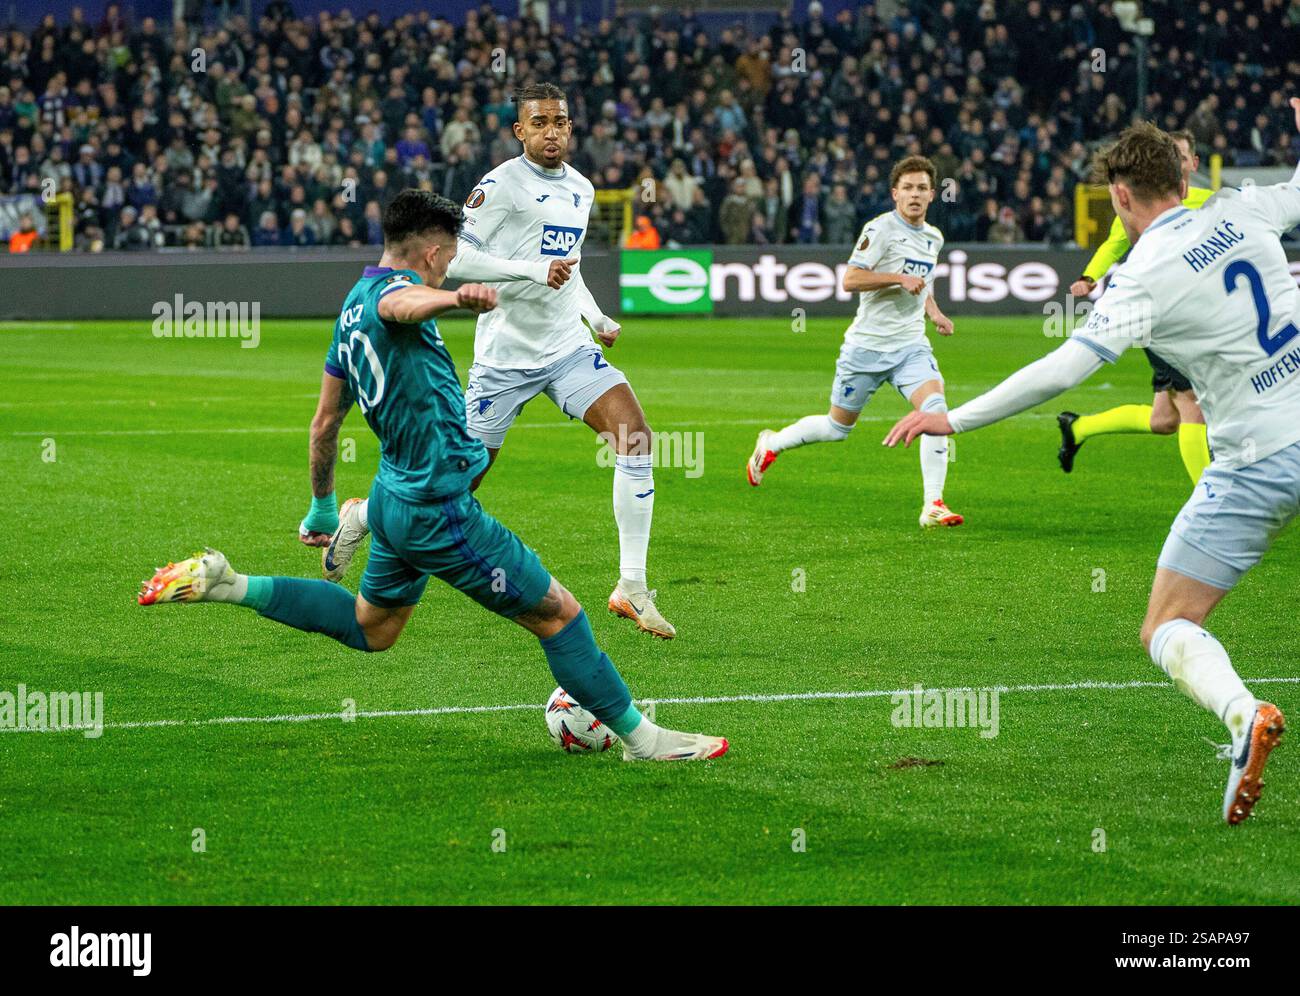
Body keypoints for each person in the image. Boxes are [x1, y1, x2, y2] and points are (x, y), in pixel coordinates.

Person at [139, 190, 727, 764]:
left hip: (394, 493)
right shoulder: (398, 295)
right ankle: (645, 740)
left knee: (372, 627)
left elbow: (323, 425)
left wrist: (320, 506)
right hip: (437, 507)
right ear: (429, 254)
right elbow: (401, 306)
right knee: (559, 615)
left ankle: (230, 583)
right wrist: (454, 302)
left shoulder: (350, 305)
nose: (449, 266)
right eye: (447, 257)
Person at [885, 113, 1300, 824]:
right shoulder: (1246, 207)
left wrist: (954, 417)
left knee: (1167, 625)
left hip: (1259, 460)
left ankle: (1241, 712)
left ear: (1121, 197)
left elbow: (1060, 369)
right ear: (1186, 177)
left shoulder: (1141, 275)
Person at [305, 83, 678, 640]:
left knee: (637, 440)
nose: (552, 131)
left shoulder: (581, 188)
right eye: (540, 122)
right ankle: (361, 514)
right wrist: (532, 273)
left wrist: (595, 318)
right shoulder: (500, 185)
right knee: (456, 485)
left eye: (560, 121)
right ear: (519, 131)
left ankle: (632, 586)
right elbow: (459, 260)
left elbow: (566, 268)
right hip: (504, 359)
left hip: (567, 349)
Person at [747, 155, 964, 529]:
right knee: (836, 428)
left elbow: (921, 282)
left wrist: (934, 311)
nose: (915, 194)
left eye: (922, 188)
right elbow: (850, 279)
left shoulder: (934, 237)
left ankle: (933, 504)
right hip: (866, 347)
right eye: (907, 188)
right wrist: (896, 278)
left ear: (932, 195)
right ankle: (771, 443)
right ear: (895, 194)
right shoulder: (879, 230)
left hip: (911, 345)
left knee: (935, 411)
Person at [1059, 130, 1213, 483]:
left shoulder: (1211, 201)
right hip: (1160, 312)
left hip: (1189, 310)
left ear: (1193, 163)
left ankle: (1078, 427)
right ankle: (1211, 500)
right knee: (1192, 404)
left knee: (1165, 420)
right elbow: (1114, 244)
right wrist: (1089, 276)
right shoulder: (1148, 203)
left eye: (1182, 155)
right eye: (1170, 155)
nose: (1176, 161)